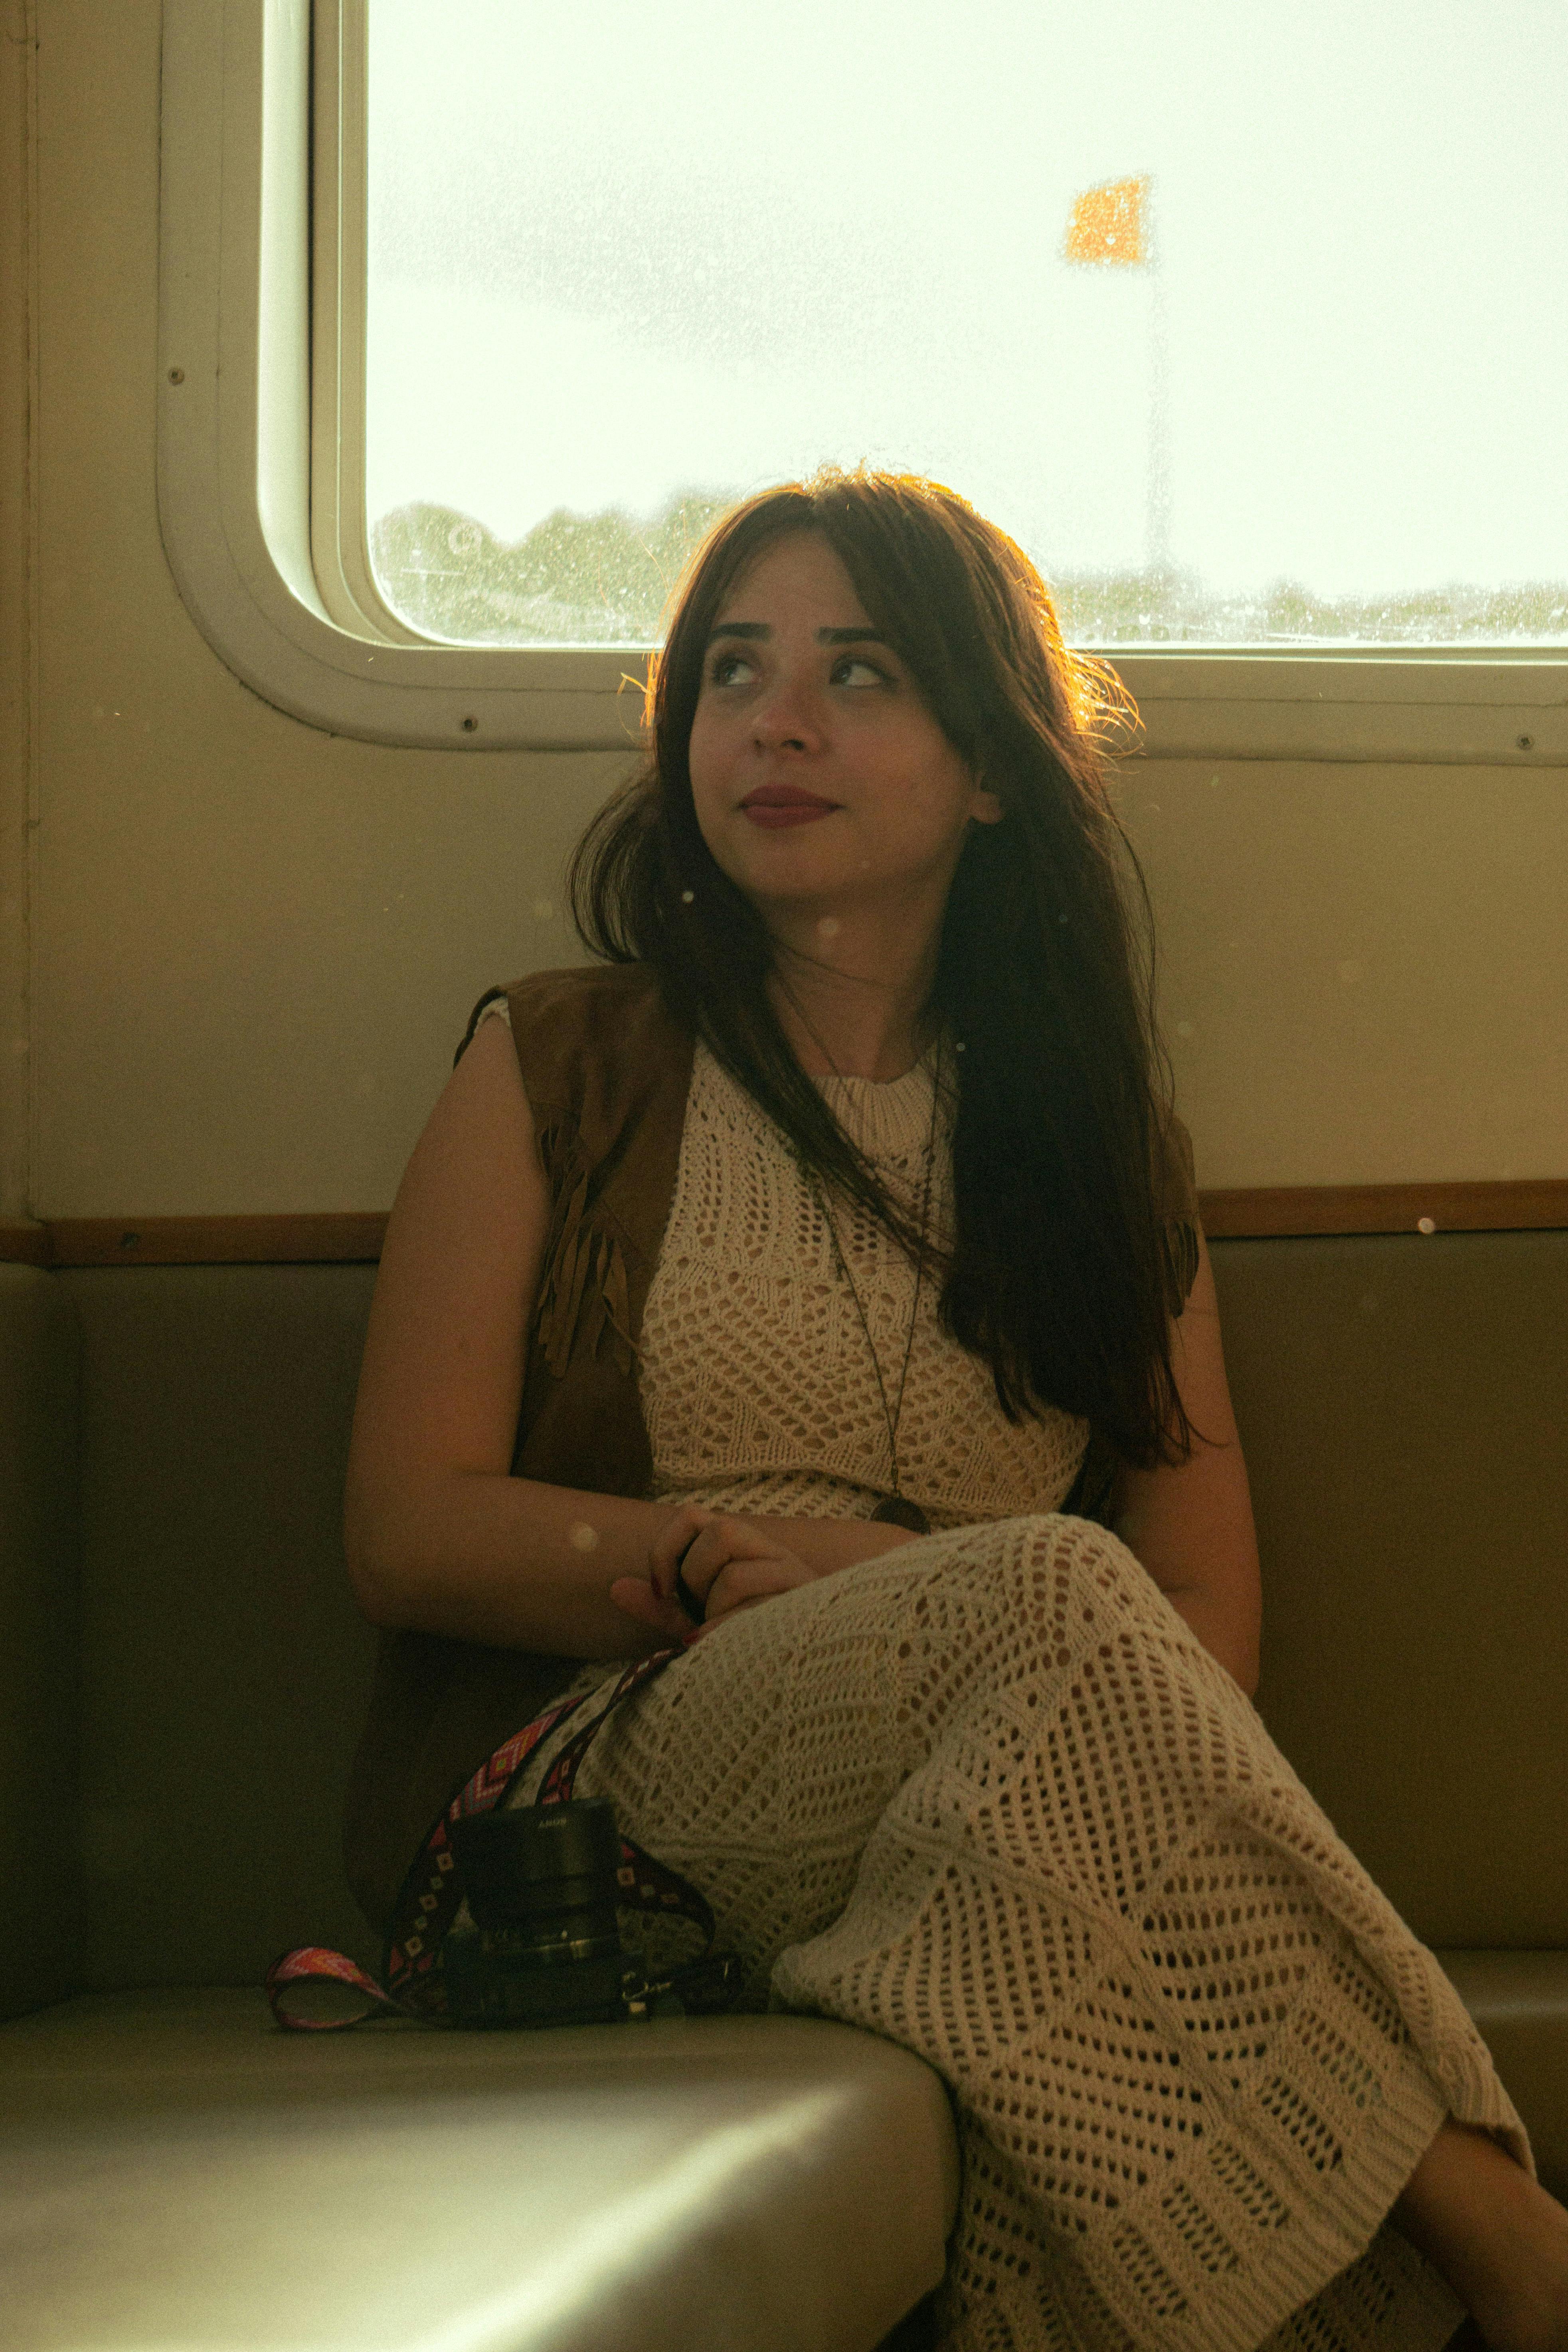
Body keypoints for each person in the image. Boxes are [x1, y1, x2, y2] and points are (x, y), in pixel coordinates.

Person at [342, 468, 1568, 2352]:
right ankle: (1491, 2218)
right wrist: (699, 1556)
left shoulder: (1091, 1148)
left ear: (990, 769)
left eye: (860, 672)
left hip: (988, 1792)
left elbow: (1205, 1627)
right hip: (621, 1788)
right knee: (1050, 1591)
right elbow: (407, 1523)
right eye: (733, 671)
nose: (775, 718)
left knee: (1037, 1967)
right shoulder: (556, 1061)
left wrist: (892, 1581)